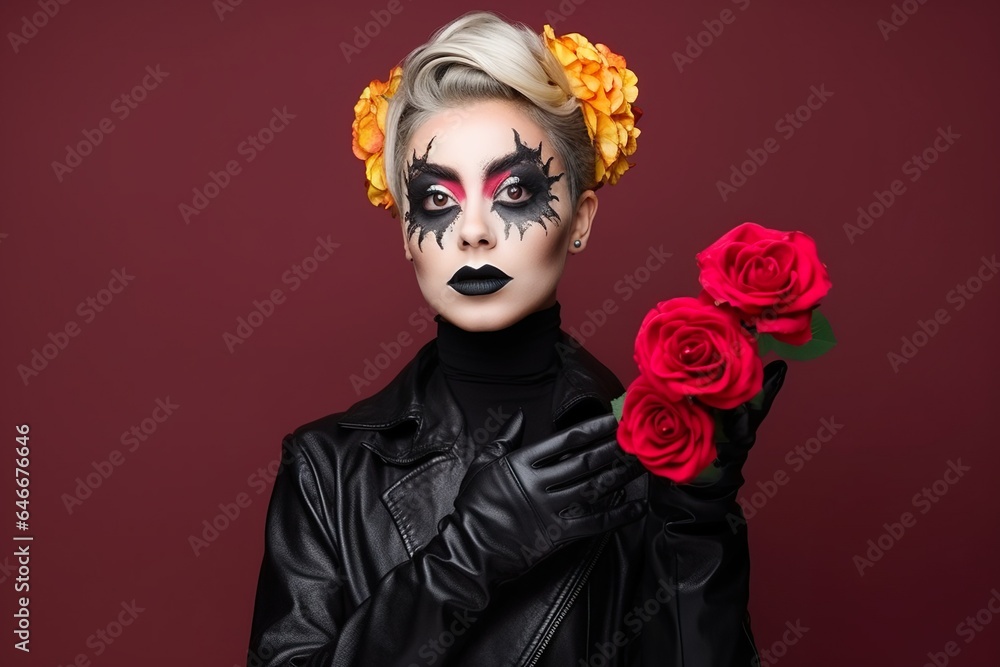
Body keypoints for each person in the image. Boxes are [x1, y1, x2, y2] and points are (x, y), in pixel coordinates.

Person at [247, 10, 787, 666]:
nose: (474, 232)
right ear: (404, 229)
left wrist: (699, 519)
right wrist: (464, 557)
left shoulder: (644, 463)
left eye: (515, 191)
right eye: (437, 200)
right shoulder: (326, 472)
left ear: (580, 219)